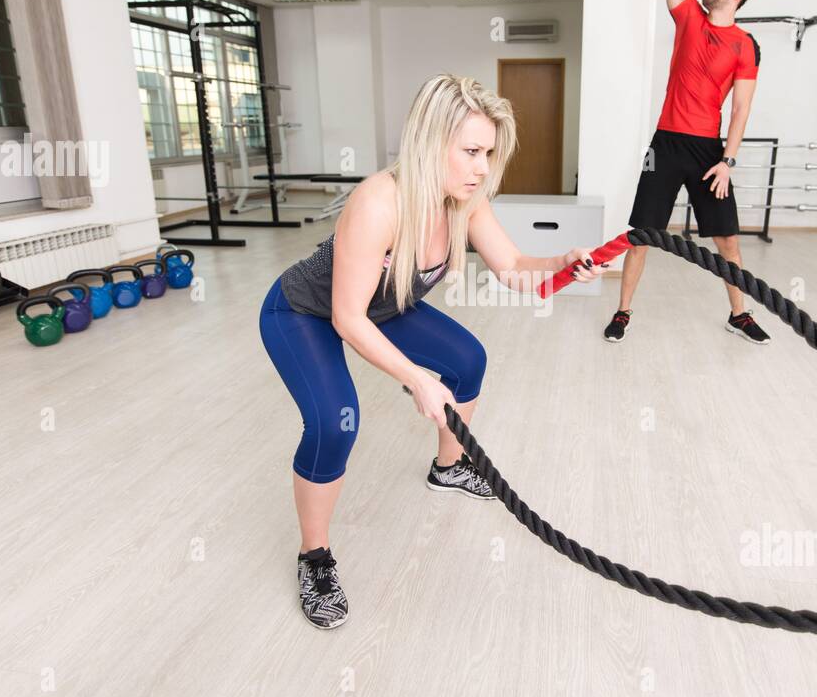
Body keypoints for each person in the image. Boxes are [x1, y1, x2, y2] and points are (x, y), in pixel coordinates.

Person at [259, 74, 606, 629]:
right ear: (429, 142)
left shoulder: (466, 201)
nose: (482, 168)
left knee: (467, 360)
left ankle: (448, 467)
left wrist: (563, 264)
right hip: (304, 313)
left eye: (488, 154)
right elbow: (347, 318)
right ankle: (315, 558)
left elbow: (515, 270)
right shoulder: (380, 203)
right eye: (471, 152)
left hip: (382, 306)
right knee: (334, 423)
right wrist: (417, 378)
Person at [604, 0, 768, 345]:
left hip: (708, 152)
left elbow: (740, 110)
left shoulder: (745, 45)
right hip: (667, 143)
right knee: (643, 234)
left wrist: (728, 161)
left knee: (728, 242)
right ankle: (624, 312)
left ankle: (739, 314)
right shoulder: (690, 18)